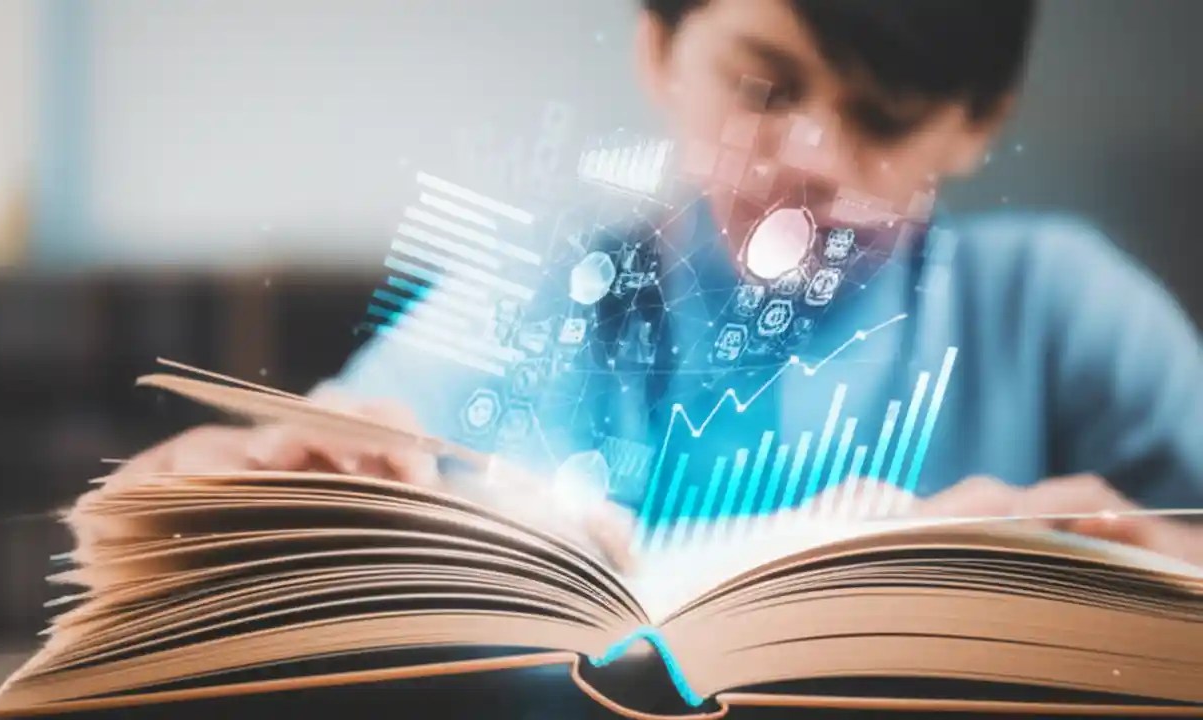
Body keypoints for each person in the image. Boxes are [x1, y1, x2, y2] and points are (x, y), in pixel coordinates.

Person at [120, 0, 1203, 564]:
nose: (816, 156)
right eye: (764, 86)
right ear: (658, 50)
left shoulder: (1064, 312)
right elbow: (329, 454)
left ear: (979, 122)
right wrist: (245, 493)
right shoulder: (533, 298)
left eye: (886, 116)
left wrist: (1154, 578)